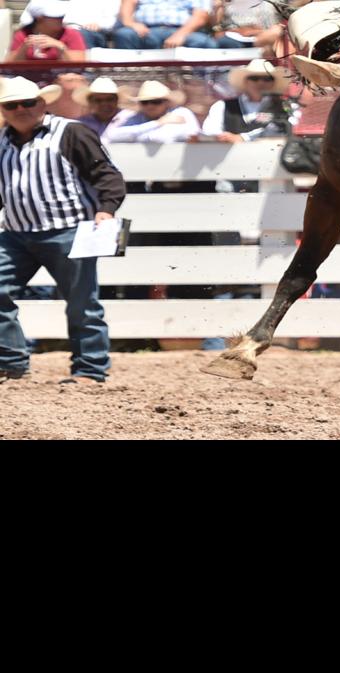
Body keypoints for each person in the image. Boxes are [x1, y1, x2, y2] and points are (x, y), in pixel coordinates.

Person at [0, 77, 127, 385]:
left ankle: (90, 369)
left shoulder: (71, 132)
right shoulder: (2, 140)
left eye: (28, 103)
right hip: (15, 232)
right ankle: (11, 363)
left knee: (82, 302)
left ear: (42, 103)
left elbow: (106, 174)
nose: (21, 109)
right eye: (11, 105)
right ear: (3, 110)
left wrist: (106, 209)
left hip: (69, 231)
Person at [103, 80, 200, 143]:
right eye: (145, 102)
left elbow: (157, 138)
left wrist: (136, 136)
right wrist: (157, 123)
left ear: (166, 102)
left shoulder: (181, 113)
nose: (150, 106)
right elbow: (112, 135)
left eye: (156, 102)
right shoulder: (134, 116)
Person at [111, 0, 218, 50]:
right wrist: (131, 23)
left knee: (204, 43)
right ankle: (130, 82)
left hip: (184, 31)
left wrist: (181, 34)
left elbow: (200, 17)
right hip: (146, 30)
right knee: (125, 35)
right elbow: (127, 4)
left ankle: (199, 84)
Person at [8, 0, 89, 63]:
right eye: (56, 16)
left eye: (62, 16)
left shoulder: (71, 34)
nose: (61, 19)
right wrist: (24, 49)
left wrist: (60, 47)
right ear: (39, 18)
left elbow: (80, 64)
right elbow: (10, 66)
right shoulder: (22, 34)